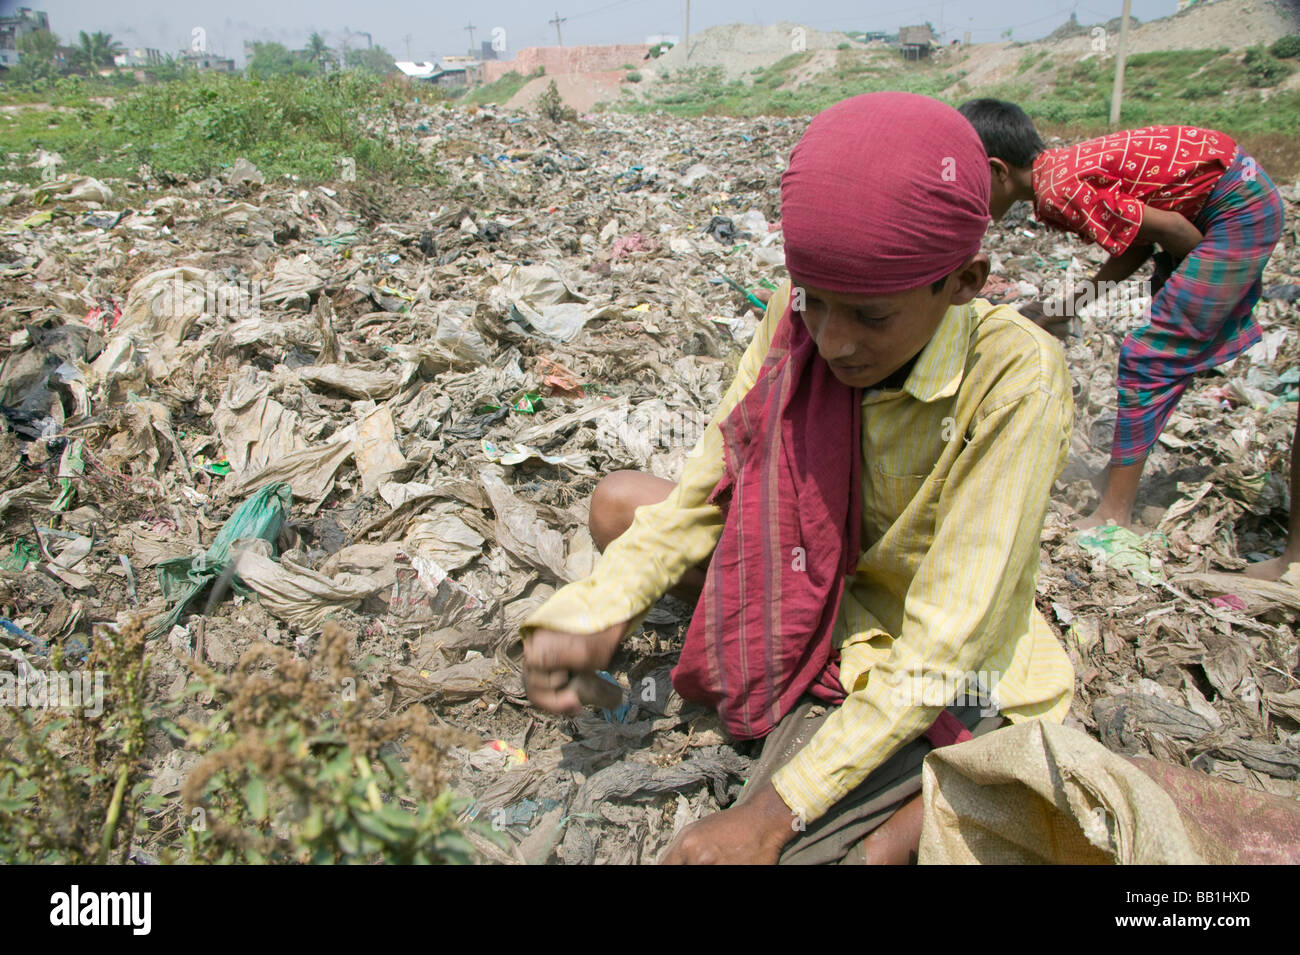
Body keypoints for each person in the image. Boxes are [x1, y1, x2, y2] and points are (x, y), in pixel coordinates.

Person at [520, 92, 1075, 865]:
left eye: (871, 317)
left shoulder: (1015, 379)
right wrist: (597, 611)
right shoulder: (795, 315)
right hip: (815, 577)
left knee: (830, 852)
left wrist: (773, 813)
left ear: (965, 282)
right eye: (817, 303)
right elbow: (709, 488)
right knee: (621, 507)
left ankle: (933, 795)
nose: (834, 341)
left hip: (930, 649)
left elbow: (947, 638)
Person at [958, 99, 1286, 532]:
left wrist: (1197, 292)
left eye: (969, 180)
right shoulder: (1057, 170)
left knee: (1149, 357)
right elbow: (1138, 243)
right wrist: (1062, 308)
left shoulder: (1057, 192)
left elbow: (1176, 233)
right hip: (1234, 191)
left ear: (998, 171)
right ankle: (1119, 477)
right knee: (1161, 350)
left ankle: (1115, 511)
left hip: (1238, 209)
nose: (967, 196)